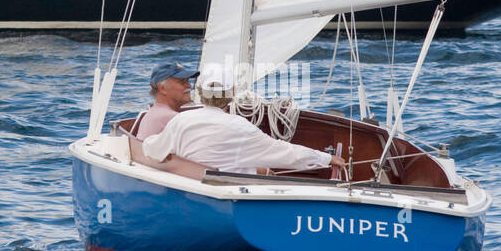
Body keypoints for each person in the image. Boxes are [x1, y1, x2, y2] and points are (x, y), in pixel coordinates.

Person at [143, 81, 348, 176]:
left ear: (200, 93)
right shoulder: (240, 126)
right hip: (226, 191)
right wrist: (327, 158)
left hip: (191, 186)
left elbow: (152, 148)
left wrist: (147, 140)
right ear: (231, 95)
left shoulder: (181, 120)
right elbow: (286, 153)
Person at [134, 63, 198, 139]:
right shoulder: (171, 117)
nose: (189, 86)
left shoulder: (154, 112)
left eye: (188, 81)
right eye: (182, 82)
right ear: (162, 88)